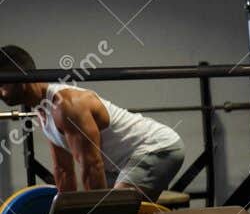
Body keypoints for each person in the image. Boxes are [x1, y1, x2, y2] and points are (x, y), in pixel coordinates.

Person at [0, 45, 185, 202]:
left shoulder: (65, 105)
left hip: (157, 147)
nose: (0, 92)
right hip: (120, 164)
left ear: (21, 77)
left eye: (2, 84)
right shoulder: (42, 112)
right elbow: (63, 171)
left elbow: (92, 166)